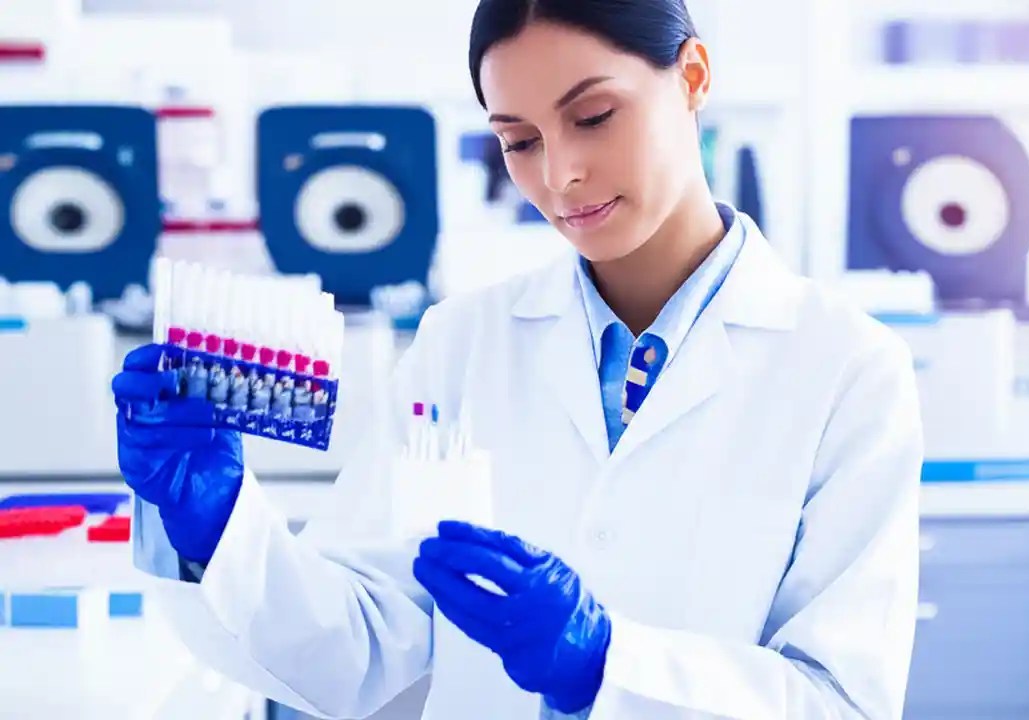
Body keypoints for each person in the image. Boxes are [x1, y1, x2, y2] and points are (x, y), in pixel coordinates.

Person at [111, 1, 924, 718]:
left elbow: (841, 701)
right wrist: (215, 523)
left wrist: (606, 666)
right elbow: (360, 653)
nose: (560, 174)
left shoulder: (846, 370)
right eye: (520, 140)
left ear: (693, 75)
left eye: (596, 116)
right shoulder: (463, 344)